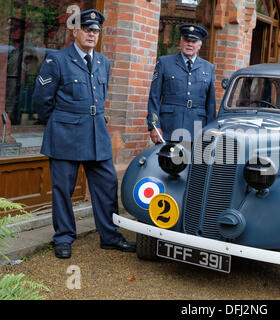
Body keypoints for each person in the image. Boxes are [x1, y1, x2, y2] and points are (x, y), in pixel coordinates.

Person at [32, 9, 135, 259]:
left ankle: (110, 236)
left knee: (107, 185)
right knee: (63, 189)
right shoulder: (57, 60)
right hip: (65, 133)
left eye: (95, 30)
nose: (91, 33)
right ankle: (64, 237)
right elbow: (41, 101)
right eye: (87, 29)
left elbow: (99, 95)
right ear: (75, 31)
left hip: (96, 133)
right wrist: (59, 122)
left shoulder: (103, 62)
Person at [147, 24, 216, 144]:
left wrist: (210, 131)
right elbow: (154, 98)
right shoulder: (164, 62)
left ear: (199, 45)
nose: (189, 44)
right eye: (186, 40)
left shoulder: (208, 67)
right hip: (169, 127)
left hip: (197, 129)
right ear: (181, 41)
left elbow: (210, 104)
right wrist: (154, 126)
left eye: (193, 41)